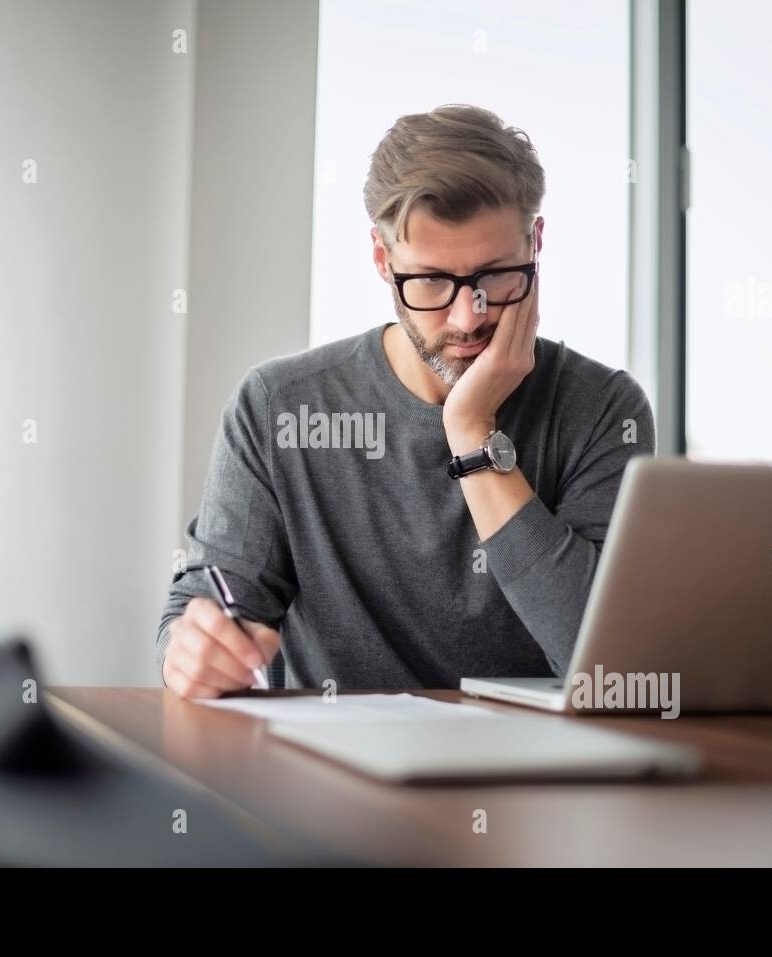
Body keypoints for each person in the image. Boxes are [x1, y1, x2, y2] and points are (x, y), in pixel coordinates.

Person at [158, 104, 654, 698]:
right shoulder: (281, 407)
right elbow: (206, 610)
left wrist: (471, 433)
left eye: (496, 277)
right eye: (431, 282)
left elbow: (603, 667)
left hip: (534, 778)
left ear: (536, 242)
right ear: (382, 260)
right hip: (334, 775)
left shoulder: (603, 410)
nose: (467, 317)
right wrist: (189, 652)